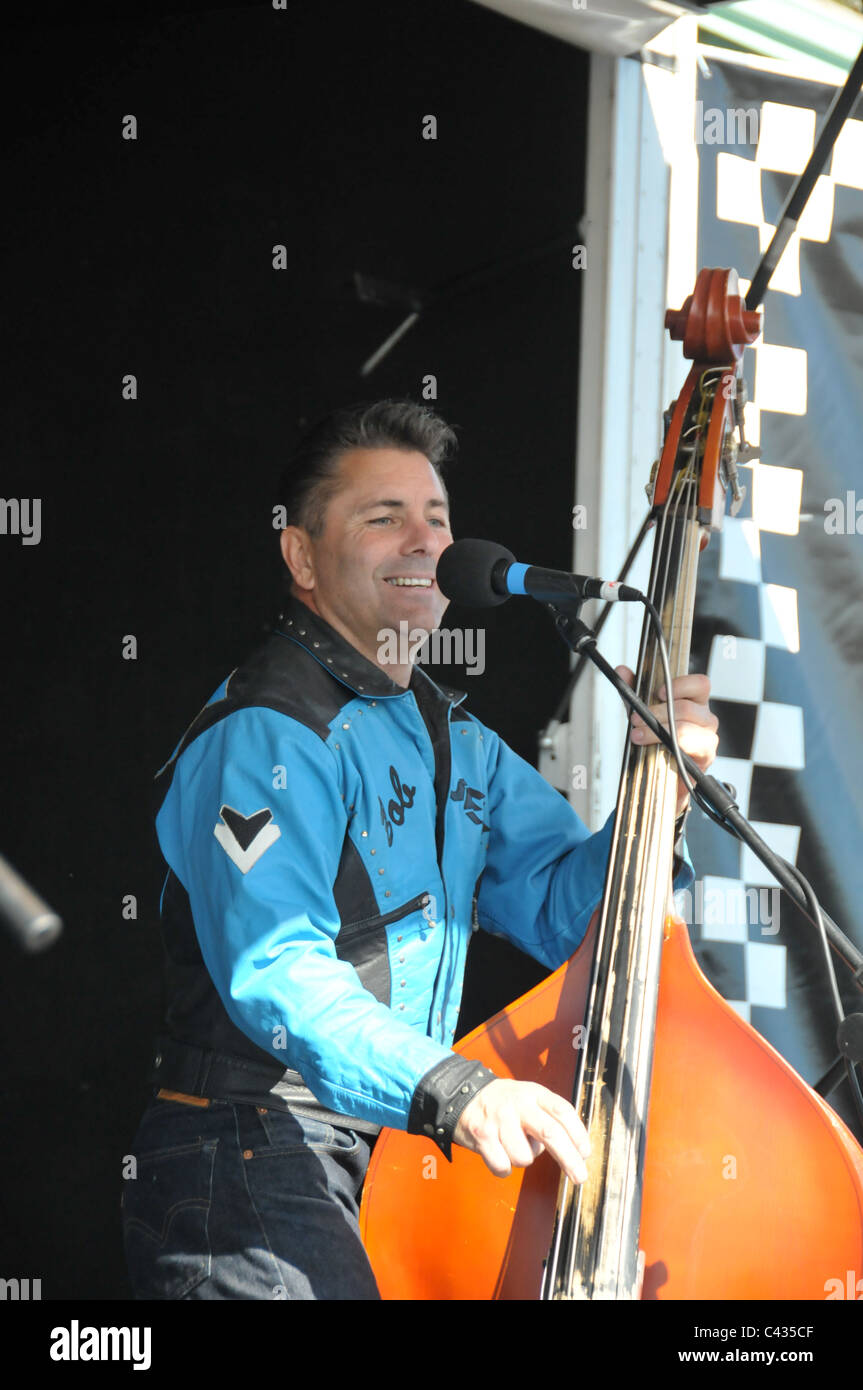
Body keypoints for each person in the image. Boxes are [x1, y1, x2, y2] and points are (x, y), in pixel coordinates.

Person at [121, 399, 719, 1300]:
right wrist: (457, 1088)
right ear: (300, 556)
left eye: (436, 520)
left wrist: (661, 795)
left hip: (389, 1153)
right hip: (244, 1146)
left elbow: (568, 919)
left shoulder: (455, 737)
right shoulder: (266, 731)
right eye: (382, 518)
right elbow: (275, 967)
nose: (423, 542)